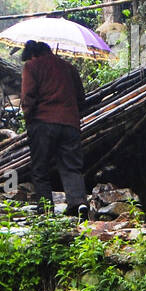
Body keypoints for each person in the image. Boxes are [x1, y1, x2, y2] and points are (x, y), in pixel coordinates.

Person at [20, 40, 89, 219]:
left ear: (33, 54)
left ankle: (46, 210)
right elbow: (81, 98)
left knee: (40, 168)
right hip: (70, 124)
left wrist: (28, 120)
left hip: (43, 123)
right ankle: (78, 203)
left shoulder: (32, 66)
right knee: (71, 166)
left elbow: (28, 97)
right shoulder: (69, 68)